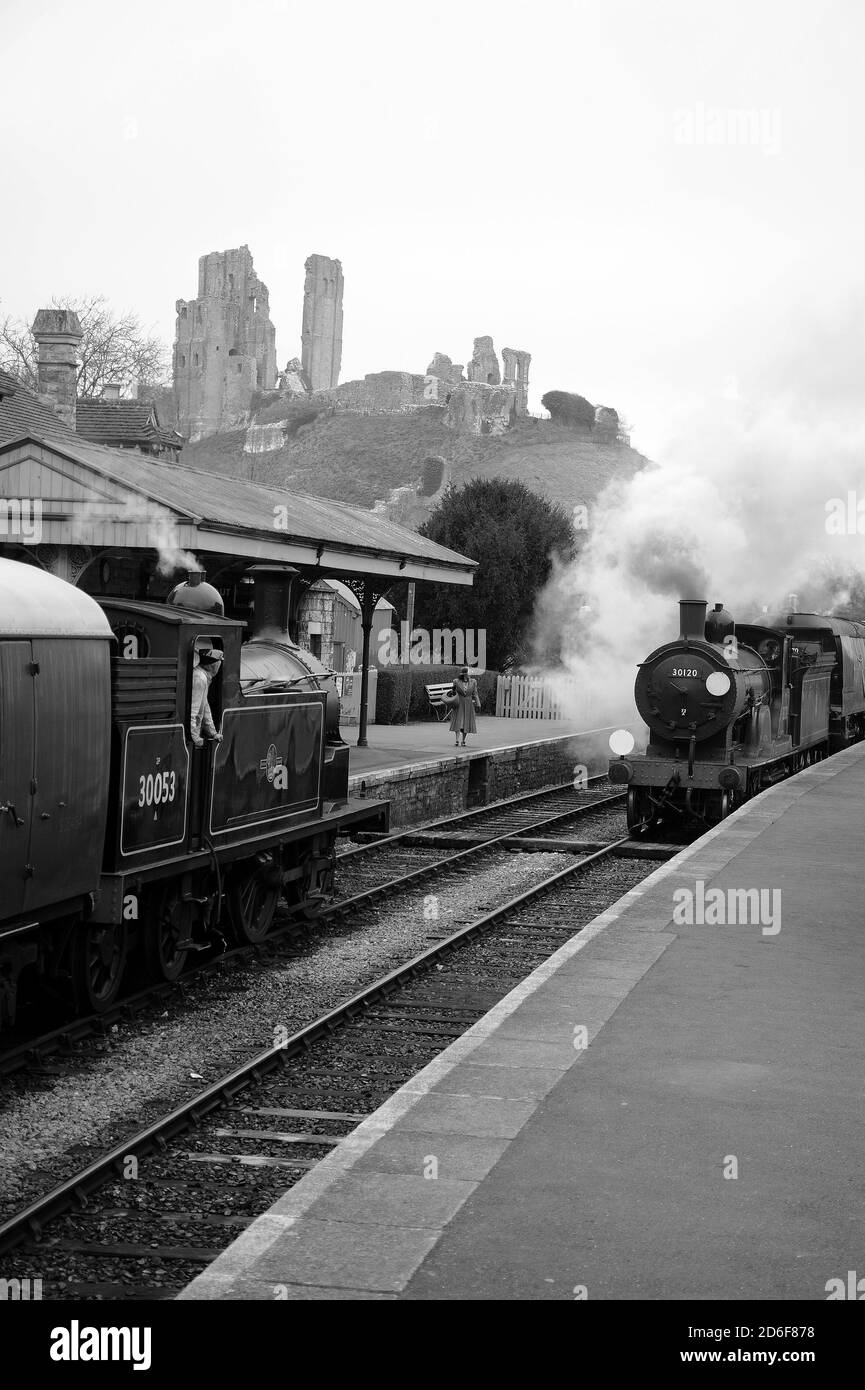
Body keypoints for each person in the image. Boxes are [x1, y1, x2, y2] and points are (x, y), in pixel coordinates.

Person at [190, 648, 224, 748]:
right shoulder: (199, 678)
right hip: (193, 736)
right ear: (213, 665)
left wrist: (213, 733)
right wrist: (194, 737)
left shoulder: (203, 676)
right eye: (219, 663)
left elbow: (205, 706)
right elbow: (192, 711)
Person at [449, 666, 481, 748]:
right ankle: (456, 740)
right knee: (458, 721)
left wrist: (478, 703)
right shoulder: (456, 681)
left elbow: (475, 693)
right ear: (463, 674)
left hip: (468, 703)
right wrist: (452, 691)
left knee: (466, 722)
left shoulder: (473, 681)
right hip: (459, 702)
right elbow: (453, 692)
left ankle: (463, 740)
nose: (468, 674)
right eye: (467, 673)